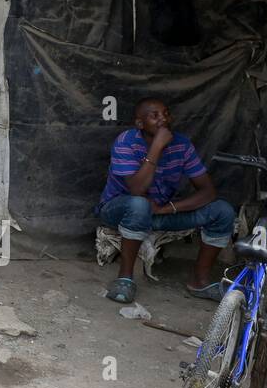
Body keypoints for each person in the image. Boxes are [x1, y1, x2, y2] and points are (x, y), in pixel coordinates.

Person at [96, 97, 235, 304]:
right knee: (139, 204)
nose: (163, 119)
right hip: (119, 211)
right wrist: (156, 148)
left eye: (166, 113)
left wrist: (167, 209)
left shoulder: (181, 144)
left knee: (223, 211)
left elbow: (207, 192)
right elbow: (137, 189)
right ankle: (125, 278)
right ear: (140, 124)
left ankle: (200, 281)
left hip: (160, 212)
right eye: (155, 116)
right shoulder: (126, 142)